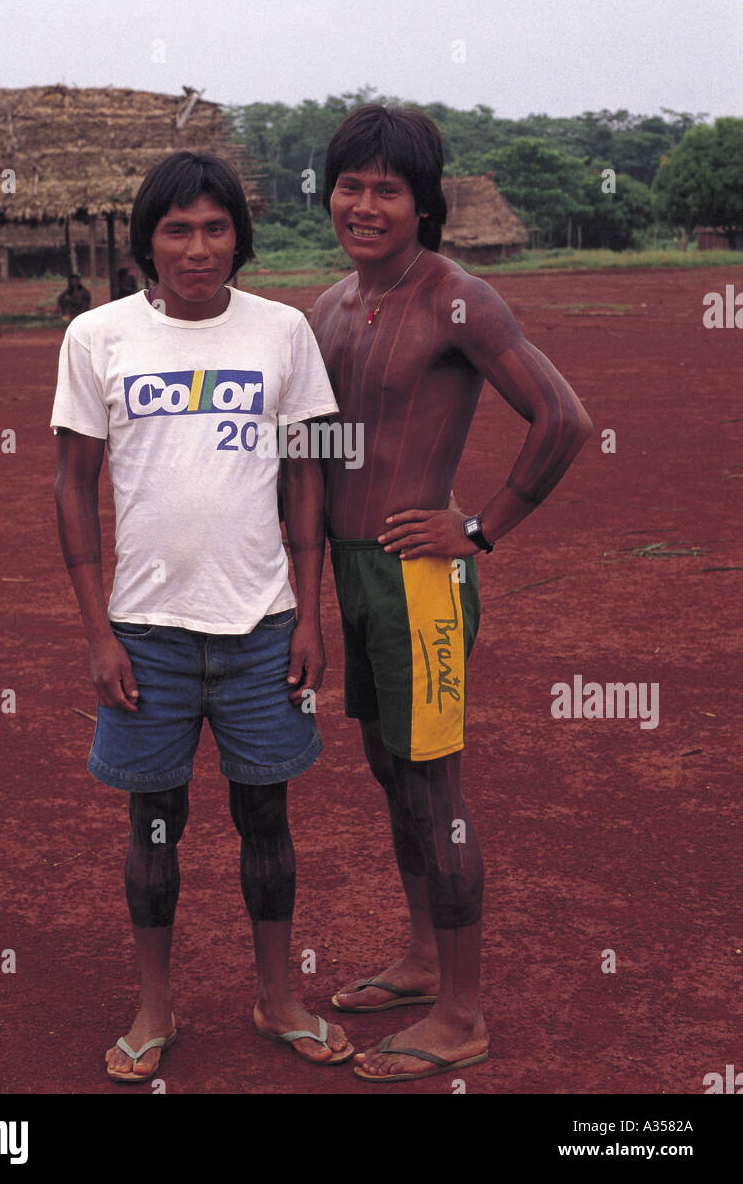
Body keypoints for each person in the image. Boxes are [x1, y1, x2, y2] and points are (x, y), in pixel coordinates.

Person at [51, 150, 352, 1082]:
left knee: (267, 817)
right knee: (154, 824)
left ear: (239, 237)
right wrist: (98, 631)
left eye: (215, 227)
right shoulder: (98, 338)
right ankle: (154, 1008)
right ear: (146, 242)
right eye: (176, 229)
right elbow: (72, 483)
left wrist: (308, 611)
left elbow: (308, 469)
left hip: (262, 624)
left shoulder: (284, 332)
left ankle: (278, 996)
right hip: (147, 633)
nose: (197, 246)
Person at [309, 104, 593, 1083]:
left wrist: (475, 532)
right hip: (351, 571)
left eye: (388, 188)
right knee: (392, 773)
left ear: (425, 204)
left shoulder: (458, 299)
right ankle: (425, 957)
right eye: (350, 184)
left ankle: (463, 1014)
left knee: (435, 787)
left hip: (419, 576)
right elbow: (315, 451)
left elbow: (562, 418)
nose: (365, 204)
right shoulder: (327, 307)